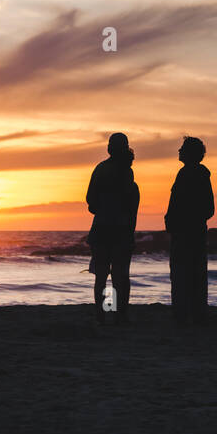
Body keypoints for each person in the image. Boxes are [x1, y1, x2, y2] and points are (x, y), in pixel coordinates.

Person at [86, 133, 140, 325]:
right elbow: (130, 207)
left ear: (110, 148)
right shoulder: (128, 174)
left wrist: (103, 208)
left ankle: (102, 314)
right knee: (120, 276)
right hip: (122, 231)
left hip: (102, 229)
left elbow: (90, 203)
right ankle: (118, 313)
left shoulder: (101, 169)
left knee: (101, 275)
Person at [165, 136, 214, 326]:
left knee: (183, 273)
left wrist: (182, 220)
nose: (179, 151)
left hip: (187, 232)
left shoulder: (193, 174)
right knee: (193, 274)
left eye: (183, 149)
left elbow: (207, 208)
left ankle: (185, 314)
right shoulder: (190, 173)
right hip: (190, 231)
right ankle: (193, 313)